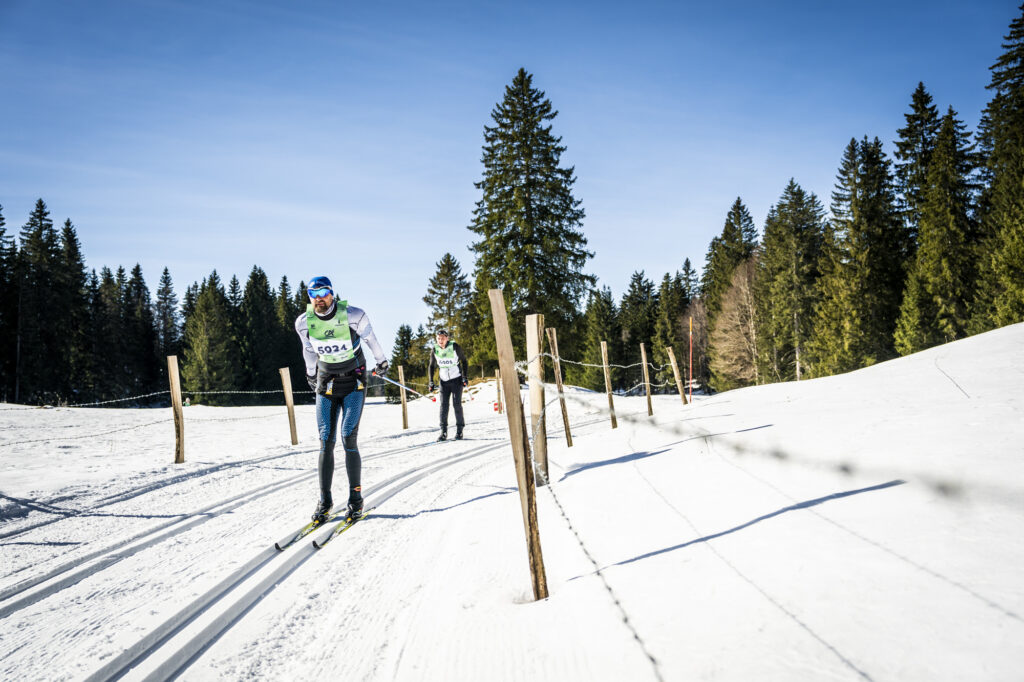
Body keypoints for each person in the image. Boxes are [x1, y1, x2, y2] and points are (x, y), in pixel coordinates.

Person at [295, 275, 388, 524]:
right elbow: (307, 350)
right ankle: (325, 501)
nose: (318, 299)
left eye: (323, 293)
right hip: (326, 383)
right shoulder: (304, 322)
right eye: (313, 294)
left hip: (353, 381)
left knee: (348, 436)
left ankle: (355, 500)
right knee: (326, 440)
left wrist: (381, 361)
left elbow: (370, 339)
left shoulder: (353, 315)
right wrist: (311, 374)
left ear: (332, 294)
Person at [427, 328, 469, 441]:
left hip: (456, 380)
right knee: (444, 406)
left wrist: (465, 377)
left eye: (443, 338)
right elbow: (431, 366)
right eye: (438, 338)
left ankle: (459, 431)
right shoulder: (435, 349)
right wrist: (431, 381)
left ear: (447, 338)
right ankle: (443, 432)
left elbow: (464, 361)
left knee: (457, 404)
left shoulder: (455, 347)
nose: (440, 340)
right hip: (443, 381)